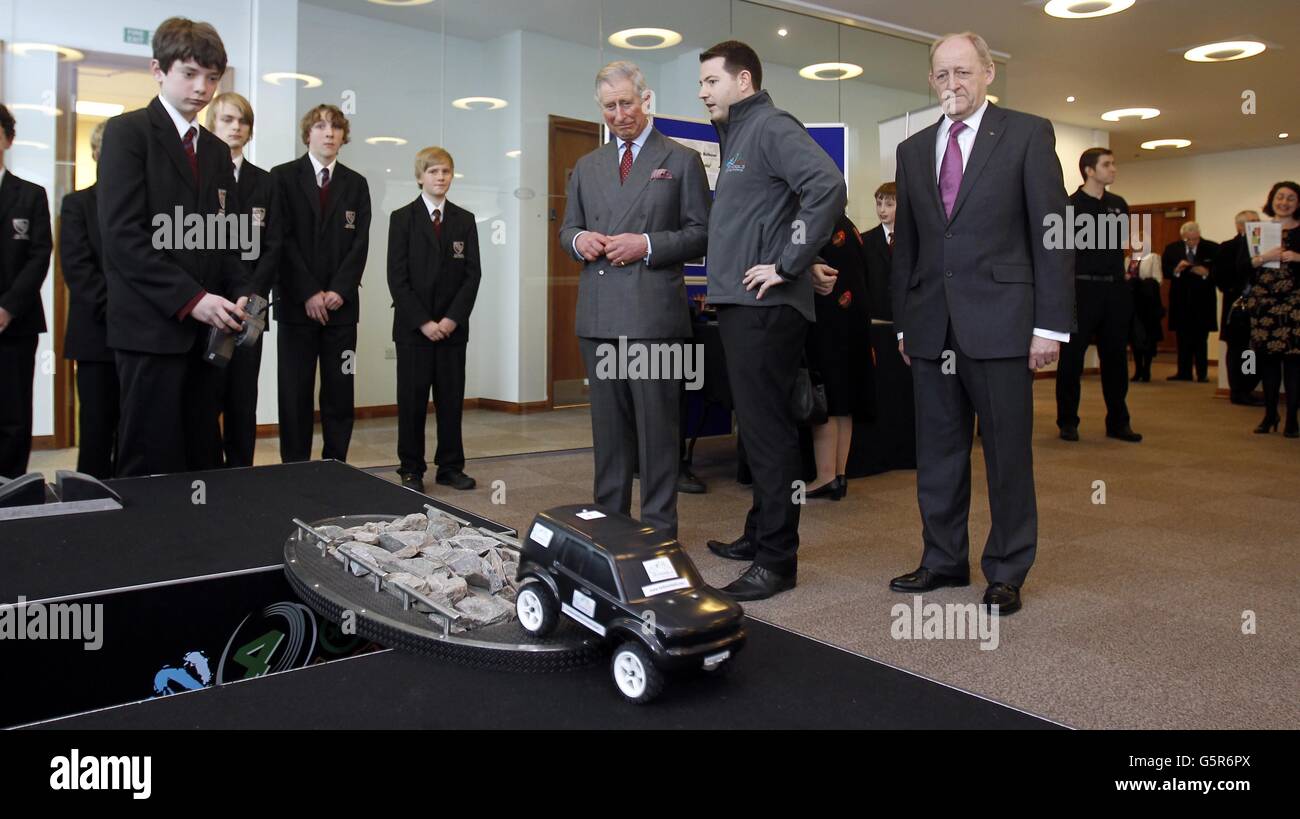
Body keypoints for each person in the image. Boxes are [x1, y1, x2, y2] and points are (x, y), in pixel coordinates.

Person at [889, 32, 1073, 616]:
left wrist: (1051, 326)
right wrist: (902, 325)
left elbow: (1053, 234)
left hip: (1003, 325)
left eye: (963, 73)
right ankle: (943, 559)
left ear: (989, 73)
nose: (952, 85)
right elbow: (909, 249)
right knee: (939, 452)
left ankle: (1007, 569)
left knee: (1006, 454)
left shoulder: (1027, 133)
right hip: (931, 327)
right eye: (941, 75)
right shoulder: (914, 148)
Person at [698, 40, 846, 600]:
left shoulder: (771, 126)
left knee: (769, 433)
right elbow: (773, 214)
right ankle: (759, 532)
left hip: (765, 308)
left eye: (712, 80)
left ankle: (778, 561)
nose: (703, 91)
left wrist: (788, 263)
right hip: (746, 305)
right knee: (759, 429)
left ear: (743, 81)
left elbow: (827, 188)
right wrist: (800, 262)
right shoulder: (739, 136)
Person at [559, 60, 710, 538]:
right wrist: (578, 241)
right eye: (610, 107)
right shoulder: (587, 166)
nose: (620, 114)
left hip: (653, 319)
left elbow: (703, 234)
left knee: (657, 434)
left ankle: (660, 534)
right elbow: (567, 229)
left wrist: (645, 245)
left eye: (627, 102)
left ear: (645, 100)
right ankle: (609, 529)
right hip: (599, 318)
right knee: (609, 436)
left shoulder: (681, 159)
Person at [97, 17, 250, 478]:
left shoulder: (217, 152)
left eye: (212, 77)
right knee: (149, 456)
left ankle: (201, 548)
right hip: (150, 329)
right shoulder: (128, 134)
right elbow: (123, 235)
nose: (202, 88)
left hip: (208, 337)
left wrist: (240, 290)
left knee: (203, 452)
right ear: (158, 70)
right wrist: (194, 300)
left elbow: (228, 235)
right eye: (189, 73)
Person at [266, 104, 370, 463]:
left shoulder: (356, 184)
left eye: (337, 127)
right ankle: (294, 468)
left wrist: (338, 290)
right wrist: (309, 291)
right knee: (294, 393)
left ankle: (335, 465)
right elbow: (281, 240)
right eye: (322, 126)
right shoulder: (281, 178)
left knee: (340, 390)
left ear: (344, 136)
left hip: (342, 310)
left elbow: (360, 243)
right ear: (307, 133)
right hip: (296, 307)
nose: (329, 133)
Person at [387, 146, 481, 492]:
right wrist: (425, 322)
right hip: (414, 330)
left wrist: (451, 319)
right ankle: (410, 468)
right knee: (412, 401)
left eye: (446, 171)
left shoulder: (464, 220)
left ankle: (450, 467)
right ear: (419, 177)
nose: (440, 177)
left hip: (453, 331)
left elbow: (473, 276)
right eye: (433, 171)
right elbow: (397, 279)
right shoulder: (402, 219)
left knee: (451, 400)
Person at [1055, 148, 1141, 442]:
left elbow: (1121, 245)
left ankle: (1118, 421)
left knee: (1115, 357)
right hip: (1081, 289)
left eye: (1113, 163)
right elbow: (1060, 254)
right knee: (1072, 358)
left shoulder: (1119, 204)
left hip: (1115, 289)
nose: (1113, 169)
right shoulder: (1069, 205)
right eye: (1107, 165)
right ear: (1089, 170)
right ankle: (1068, 420)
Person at [206, 91, 271, 467]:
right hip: (210, 302)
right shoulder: (200, 178)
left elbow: (274, 244)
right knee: (206, 396)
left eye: (242, 121)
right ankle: (210, 475)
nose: (235, 127)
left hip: (253, 304)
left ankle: (242, 472)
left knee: (244, 396)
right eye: (227, 119)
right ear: (212, 124)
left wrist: (252, 294)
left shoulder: (266, 181)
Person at [59, 121, 117, 478]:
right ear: (96, 155)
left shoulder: (148, 208)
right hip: (96, 336)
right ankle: (91, 502)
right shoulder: (77, 205)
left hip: (143, 338)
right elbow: (77, 269)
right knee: (96, 428)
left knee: (136, 433)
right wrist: (121, 309)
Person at [0, 103, 53, 479]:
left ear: (8, 139)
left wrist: (7, 308)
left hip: (15, 322)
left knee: (14, 413)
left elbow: (39, 255)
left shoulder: (30, 195)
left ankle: (11, 488)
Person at [806, 212, 875, 499]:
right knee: (844, 401)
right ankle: (839, 475)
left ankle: (824, 477)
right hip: (856, 322)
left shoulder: (816, 223)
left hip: (828, 321)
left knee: (827, 399)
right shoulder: (849, 225)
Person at [1243, 181, 1300, 436]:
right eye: (1280, 197)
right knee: (1267, 362)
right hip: (1264, 303)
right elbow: (1240, 268)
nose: (1284, 202)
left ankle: (1291, 420)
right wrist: (1263, 258)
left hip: (1294, 304)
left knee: (1293, 364)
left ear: (1298, 203)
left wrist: (1298, 257)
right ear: (1272, 200)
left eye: (1290, 198)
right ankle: (1269, 415)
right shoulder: (1258, 230)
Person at [1215, 210, 1264, 405]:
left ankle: (1248, 387)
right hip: (1236, 309)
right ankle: (1238, 390)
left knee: (1252, 351)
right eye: (1252, 222)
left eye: (1258, 221)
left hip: (1260, 308)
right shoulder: (1227, 248)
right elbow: (1220, 278)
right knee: (1238, 350)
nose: (1256, 224)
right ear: (1240, 226)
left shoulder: (1265, 247)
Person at [1162, 222, 1219, 382]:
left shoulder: (1212, 248)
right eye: (1188, 240)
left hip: (1203, 301)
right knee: (1182, 338)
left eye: (1195, 239)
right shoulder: (1172, 249)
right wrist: (1176, 270)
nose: (1192, 242)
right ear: (1183, 237)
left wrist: (1206, 273)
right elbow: (1165, 271)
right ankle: (1183, 372)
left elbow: (1221, 272)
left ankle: (1202, 374)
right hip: (1181, 300)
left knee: (1201, 339)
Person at [1128, 242, 1164, 382]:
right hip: (1133, 304)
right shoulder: (1128, 260)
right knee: (1135, 337)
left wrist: (1138, 282)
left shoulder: (1153, 258)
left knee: (1148, 337)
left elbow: (1157, 280)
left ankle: (1147, 369)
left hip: (1148, 304)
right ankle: (1138, 369)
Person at [862, 182, 896, 322]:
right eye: (878, 204)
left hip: (909, 317)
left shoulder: (913, 239)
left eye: (889, 205)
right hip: (876, 317)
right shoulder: (864, 241)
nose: (882, 210)